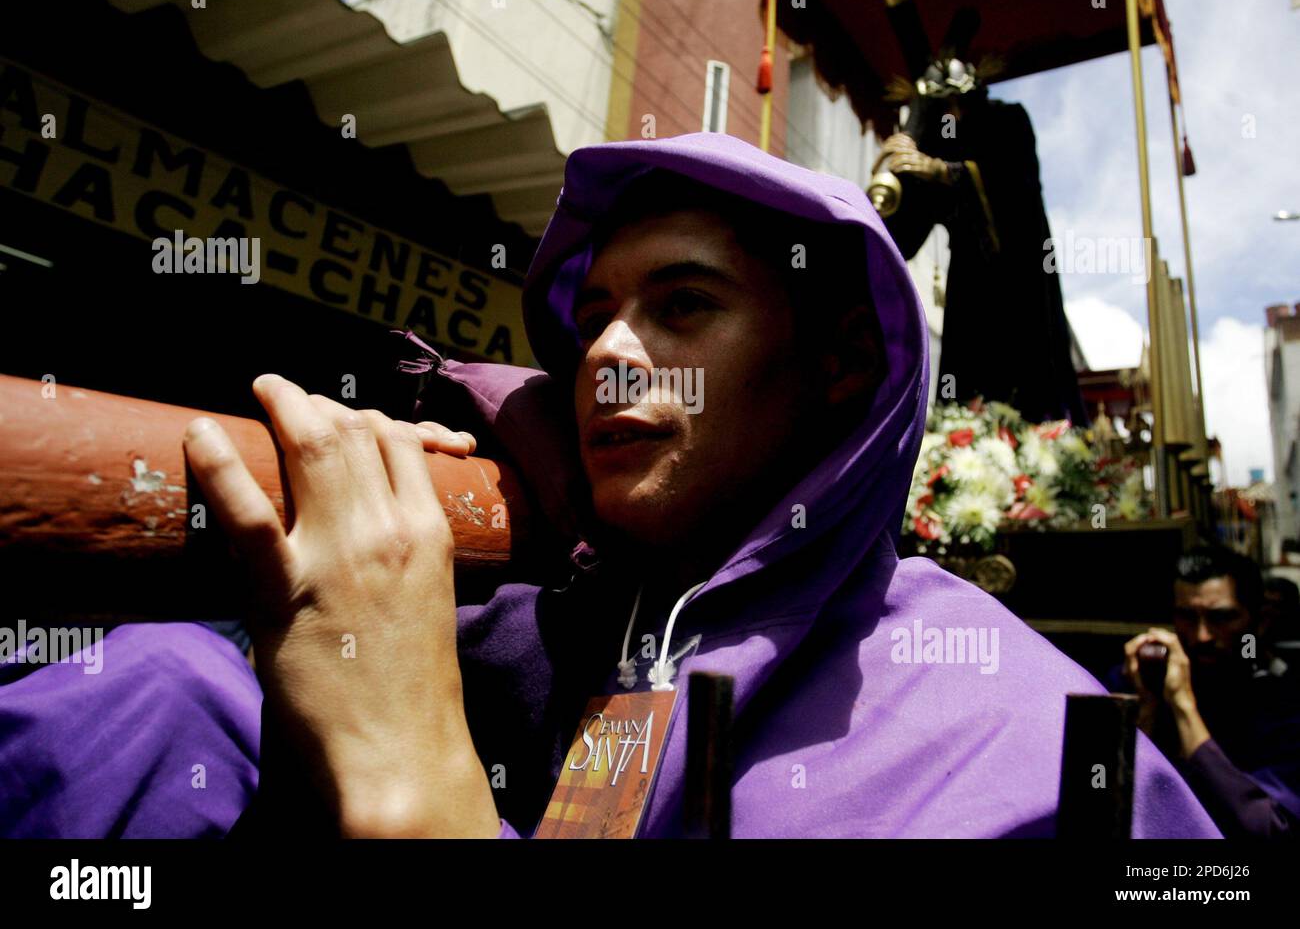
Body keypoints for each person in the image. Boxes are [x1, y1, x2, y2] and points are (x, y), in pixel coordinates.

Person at [1, 133, 1217, 838]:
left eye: (682, 304)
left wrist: (416, 788)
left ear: (843, 361)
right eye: (591, 316)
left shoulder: (1025, 749)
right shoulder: (494, 623)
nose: (608, 353)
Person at [873, 53, 1089, 426]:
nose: (952, 115)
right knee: (968, 394)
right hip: (969, 288)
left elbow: (1017, 186)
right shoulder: (942, 141)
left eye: (955, 104)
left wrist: (943, 171)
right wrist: (901, 170)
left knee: (1031, 386)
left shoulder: (1009, 120)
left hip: (1023, 275)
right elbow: (906, 236)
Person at [1116, 546, 1300, 838]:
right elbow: (1106, 803)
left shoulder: (1284, 703)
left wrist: (1184, 708)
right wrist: (1145, 711)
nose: (1202, 636)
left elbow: (1268, 827)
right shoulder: (1144, 682)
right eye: (1187, 617)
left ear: (1258, 621)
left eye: (1221, 618)